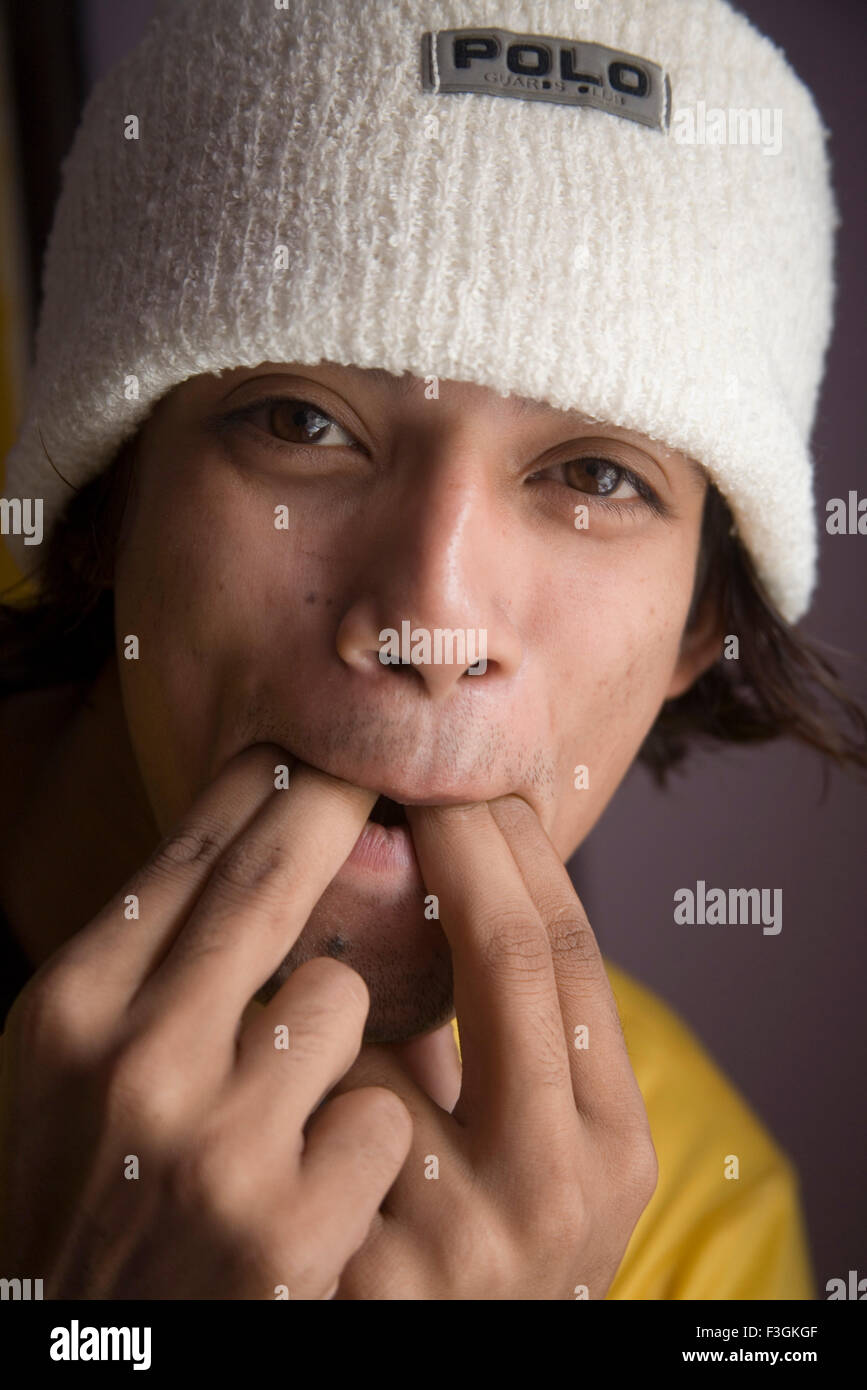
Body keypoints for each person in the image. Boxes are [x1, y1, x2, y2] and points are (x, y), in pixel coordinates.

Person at [0, 0, 862, 1300]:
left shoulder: (697, 1228)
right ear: (108, 502)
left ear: (701, 629)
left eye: (595, 474)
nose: (430, 621)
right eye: (300, 419)